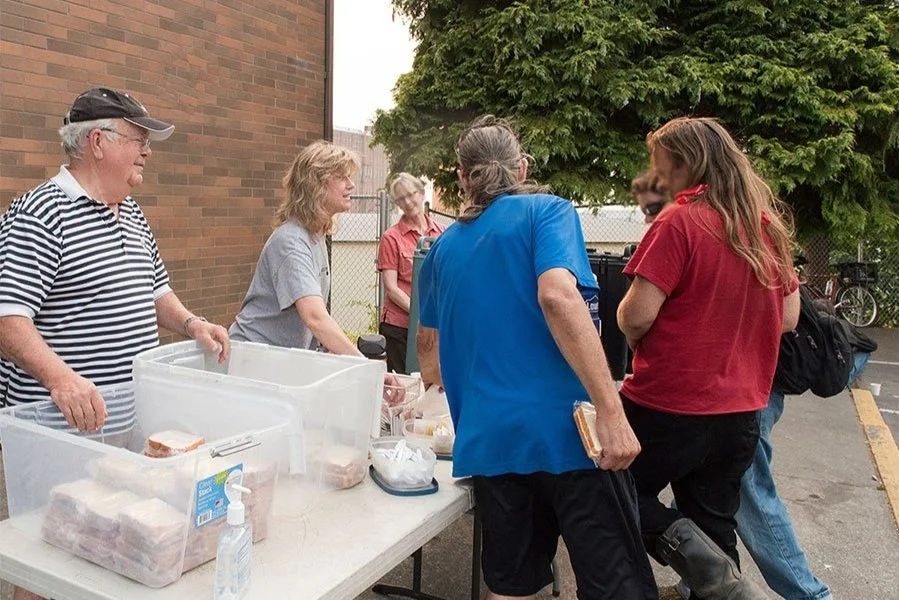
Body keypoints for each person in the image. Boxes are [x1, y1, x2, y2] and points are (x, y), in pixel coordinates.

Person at [0, 87, 230, 600]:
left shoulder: (130, 212)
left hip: (120, 423)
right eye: (137, 138)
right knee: (48, 559)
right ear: (98, 142)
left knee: (105, 549)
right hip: (57, 430)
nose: (147, 151)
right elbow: (8, 318)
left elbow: (155, 291)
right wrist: (62, 380)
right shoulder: (41, 212)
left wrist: (192, 323)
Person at [416, 115, 658, 600]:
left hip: (491, 445)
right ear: (521, 168)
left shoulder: (440, 250)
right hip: (570, 437)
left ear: (463, 178)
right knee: (616, 586)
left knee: (513, 588)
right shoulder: (547, 212)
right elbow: (557, 296)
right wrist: (612, 411)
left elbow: (429, 359)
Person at [617, 117, 800, 600]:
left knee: (611, 491)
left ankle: (682, 544)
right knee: (715, 525)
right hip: (741, 412)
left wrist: (632, 322)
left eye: (661, 168)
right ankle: (716, 573)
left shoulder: (679, 221)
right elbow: (788, 317)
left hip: (667, 403)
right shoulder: (765, 226)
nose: (657, 180)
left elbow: (637, 315)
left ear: (686, 164)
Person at [229, 141, 402, 401]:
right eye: (342, 177)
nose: (351, 185)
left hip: (276, 364)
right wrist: (368, 370)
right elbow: (315, 317)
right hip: (251, 364)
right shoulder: (291, 242)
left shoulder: (315, 235)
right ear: (315, 185)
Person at [376, 173, 445, 373]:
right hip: (400, 327)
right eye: (400, 198)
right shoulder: (391, 238)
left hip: (432, 326)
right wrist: (419, 313)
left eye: (410, 194)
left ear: (421, 193)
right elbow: (391, 288)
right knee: (403, 382)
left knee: (431, 379)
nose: (407, 202)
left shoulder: (442, 233)